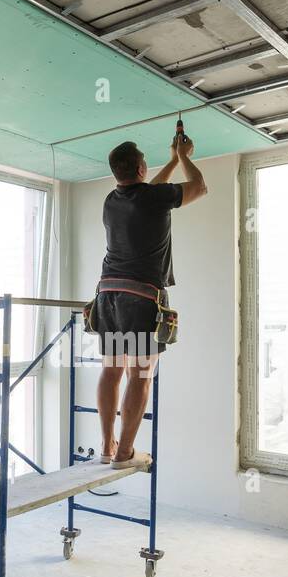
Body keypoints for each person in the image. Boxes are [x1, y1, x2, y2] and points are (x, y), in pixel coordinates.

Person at [90, 124, 207, 469]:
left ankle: (108, 445)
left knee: (112, 370)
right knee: (141, 374)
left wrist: (170, 161)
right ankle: (125, 453)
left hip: (108, 294)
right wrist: (184, 157)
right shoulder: (153, 198)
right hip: (142, 297)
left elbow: (148, 191)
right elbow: (200, 187)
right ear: (141, 168)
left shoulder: (112, 201)